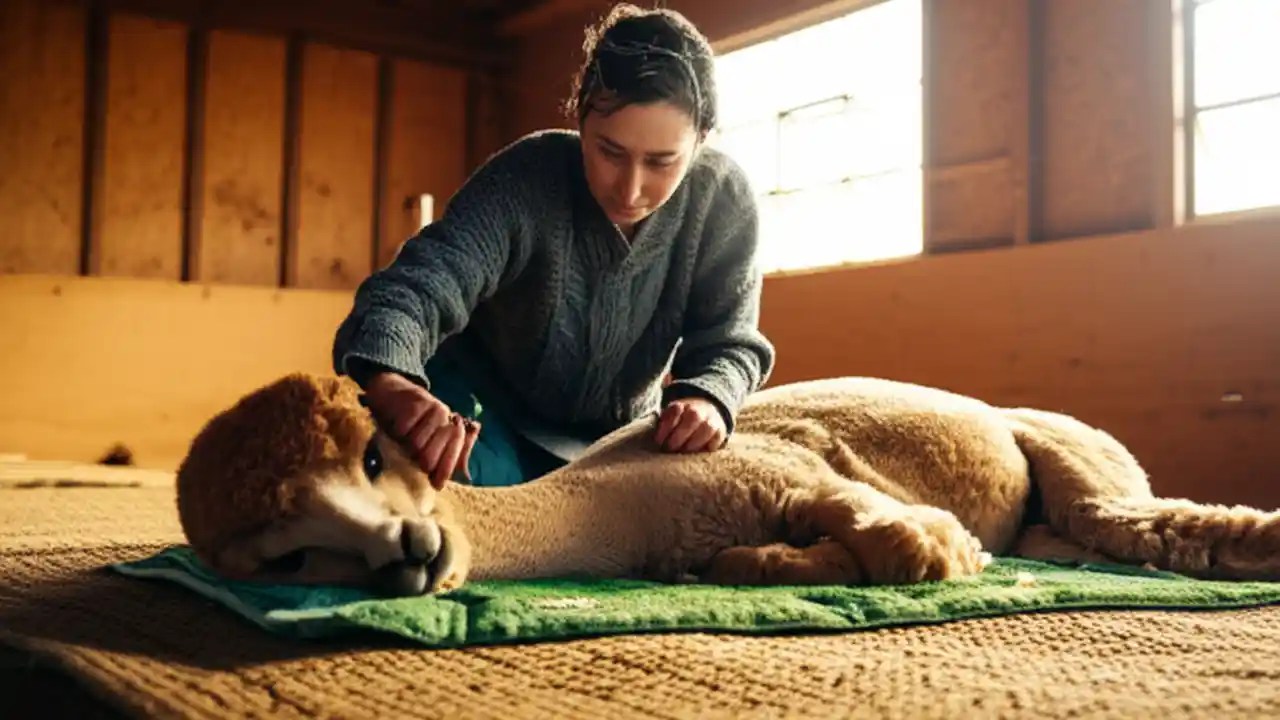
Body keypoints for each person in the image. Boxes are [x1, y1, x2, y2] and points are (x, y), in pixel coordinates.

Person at [332, 3, 775, 487]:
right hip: (479, 417)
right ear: (580, 116)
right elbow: (415, 288)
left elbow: (730, 341)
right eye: (610, 151)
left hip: (618, 438)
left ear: (702, 140)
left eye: (662, 161)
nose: (629, 189)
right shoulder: (526, 178)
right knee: (437, 485)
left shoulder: (723, 201)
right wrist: (395, 383)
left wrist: (708, 400)